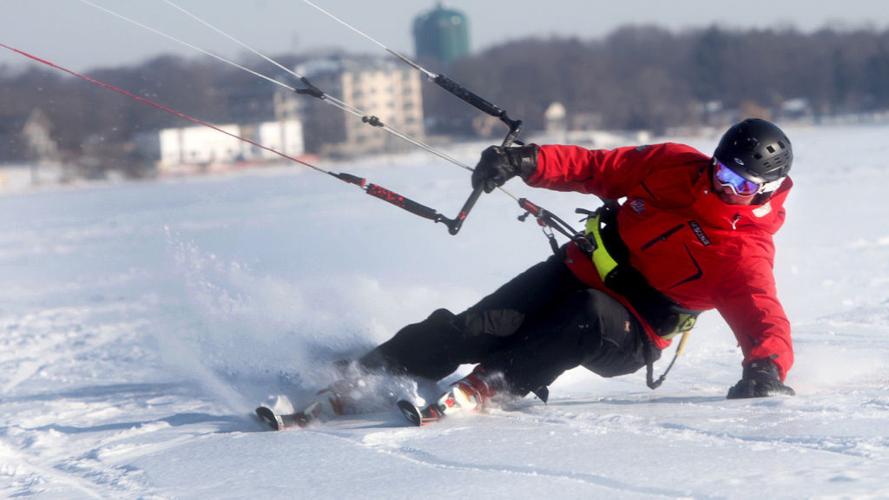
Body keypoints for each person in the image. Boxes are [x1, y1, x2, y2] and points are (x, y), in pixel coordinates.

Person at [337, 118, 797, 420]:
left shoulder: (743, 251)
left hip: (631, 331)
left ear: (767, 188)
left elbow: (763, 315)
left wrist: (767, 370)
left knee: (586, 313)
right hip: (574, 271)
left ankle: (487, 385)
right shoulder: (673, 164)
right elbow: (596, 167)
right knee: (473, 328)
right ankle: (366, 372)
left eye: (740, 183)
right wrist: (525, 161)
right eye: (721, 170)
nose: (723, 185)